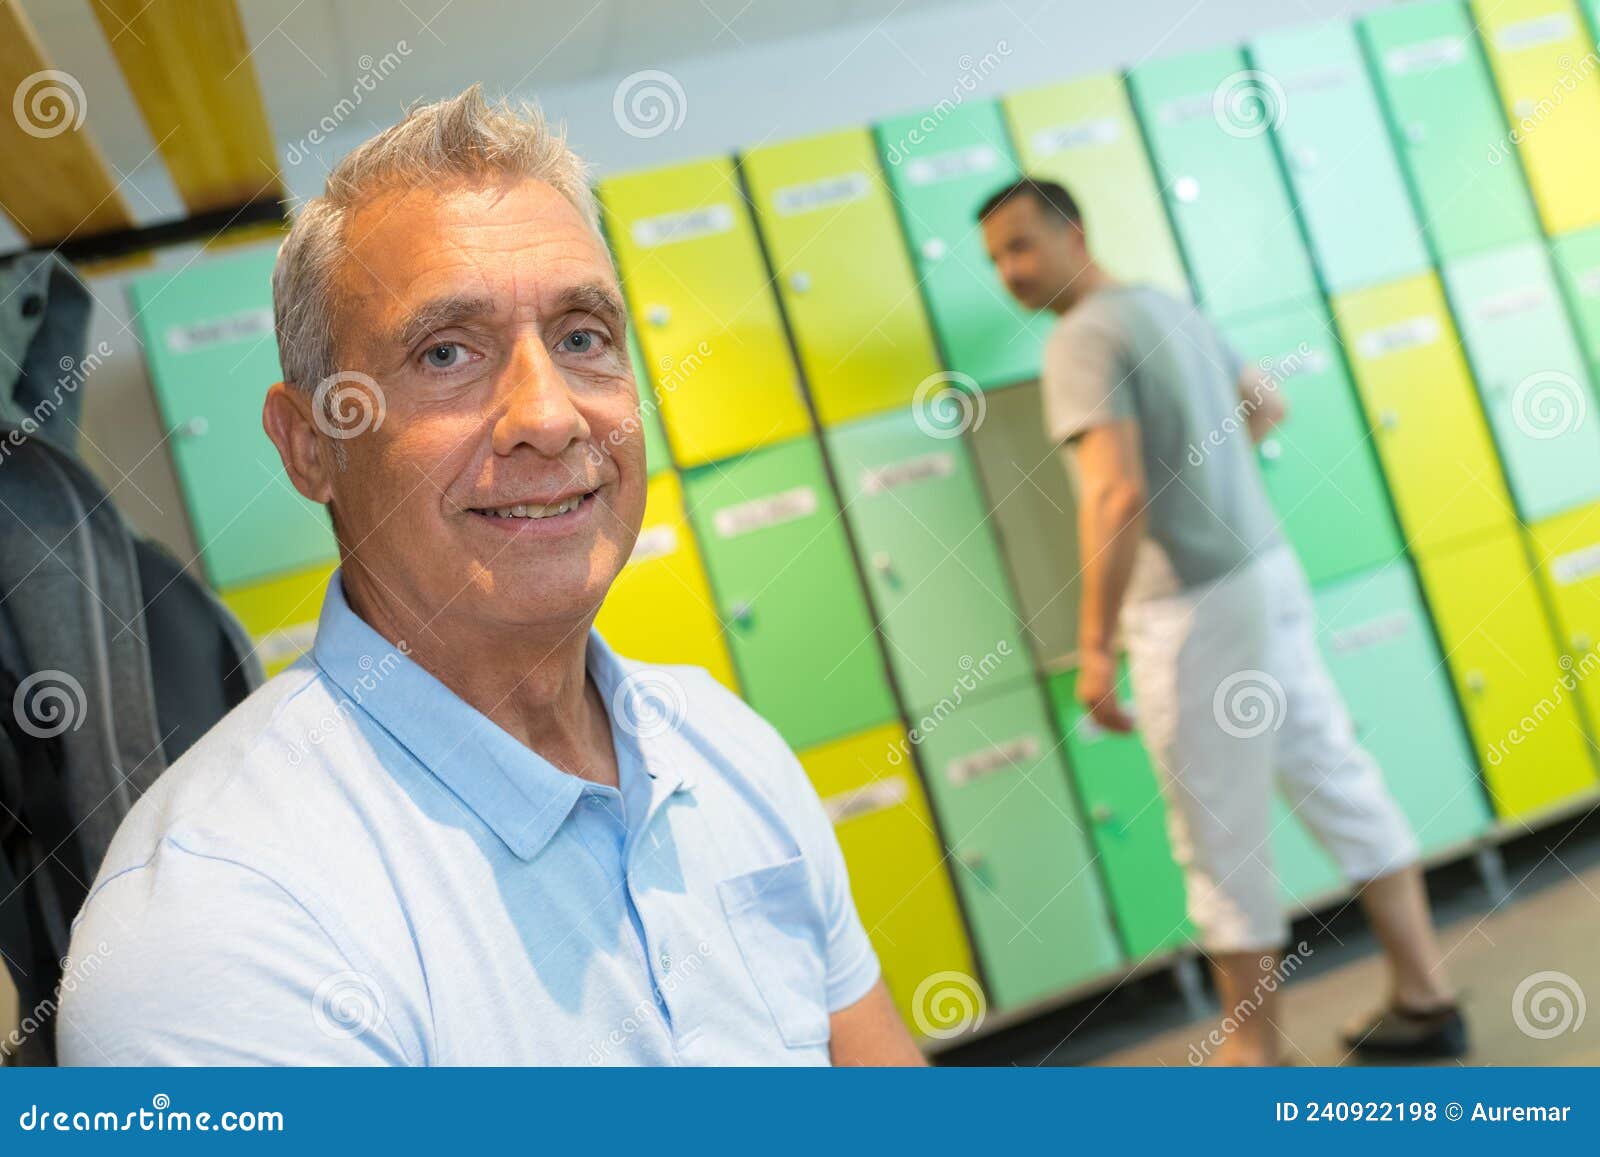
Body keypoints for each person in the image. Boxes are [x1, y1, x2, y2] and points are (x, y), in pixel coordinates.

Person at [56, 86, 922, 1067]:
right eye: (448, 352)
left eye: (581, 336)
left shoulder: (724, 744)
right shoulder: (215, 930)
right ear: (312, 447)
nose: (549, 416)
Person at [979, 177, 1467, 1065]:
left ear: (1071, 231)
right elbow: (1265, 405)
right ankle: (1428, 995)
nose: (1009, 271)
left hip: (1192, 606)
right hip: (1264, 572)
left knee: (1217, 830)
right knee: (1333, 772)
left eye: (1020, 246)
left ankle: (1255, 1064)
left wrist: (1094, 648)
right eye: (995, 259)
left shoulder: (1081, 338)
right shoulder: (1164, 303)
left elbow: (1116, 491)